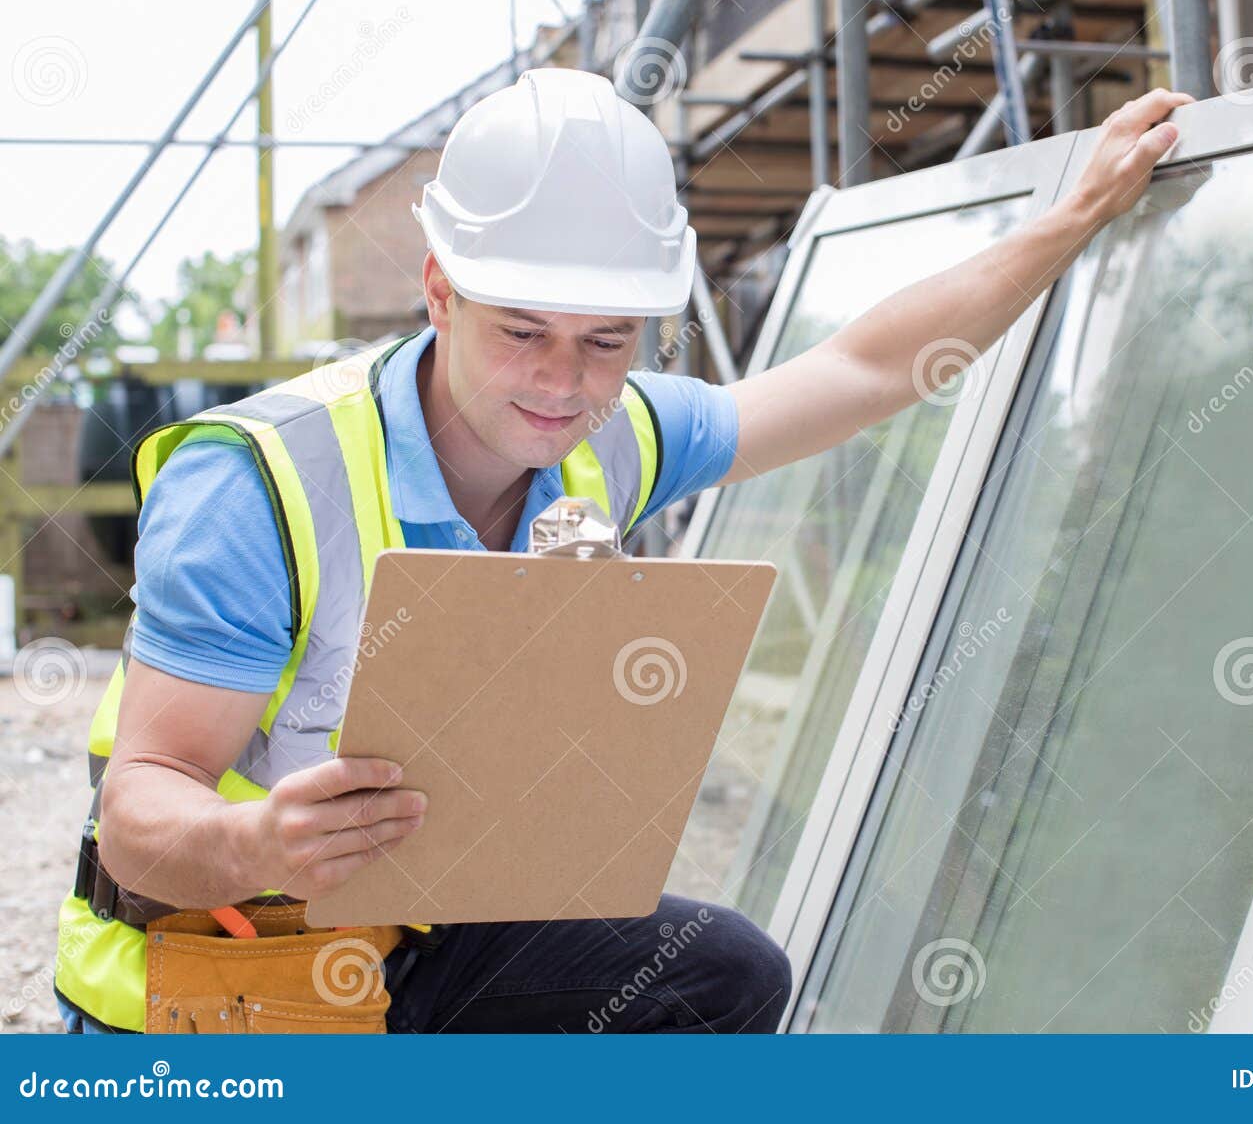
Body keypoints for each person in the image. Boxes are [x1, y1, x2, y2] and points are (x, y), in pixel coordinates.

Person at [53, 67, 1191, 1034]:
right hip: (209, 973)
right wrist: (263, 837)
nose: (562, 385)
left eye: (606, 341)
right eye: (522, 333)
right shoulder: (258, 482)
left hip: (402, 939)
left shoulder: (618, 433)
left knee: (721, 976)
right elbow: (148, 820)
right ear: (439, 291)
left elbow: (863, 370)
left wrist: (1067, 220)